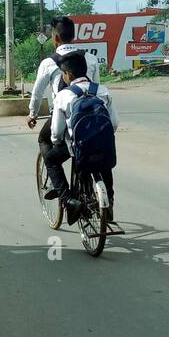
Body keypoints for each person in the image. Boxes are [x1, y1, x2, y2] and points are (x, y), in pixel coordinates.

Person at [43, 53, 118, 223]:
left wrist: (57, 142)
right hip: (103, 145)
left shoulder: (64, 95)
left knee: (51, 160)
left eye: (63, 74)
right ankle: (110, 201)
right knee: (104, 162)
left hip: (77, 146)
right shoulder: (102, 90)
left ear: (68, 74)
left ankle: (69, 200)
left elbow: (56, 131)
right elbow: (114, 123)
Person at [27, 16, 99, 156]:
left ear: (55, 37)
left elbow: (37, 94)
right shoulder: (91, 58)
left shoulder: (48, 63)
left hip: (62, 115)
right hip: (90, 114)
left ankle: (58, 179)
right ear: (73, 36)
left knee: (44, 140)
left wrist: (32, 115)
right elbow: (96, 87)